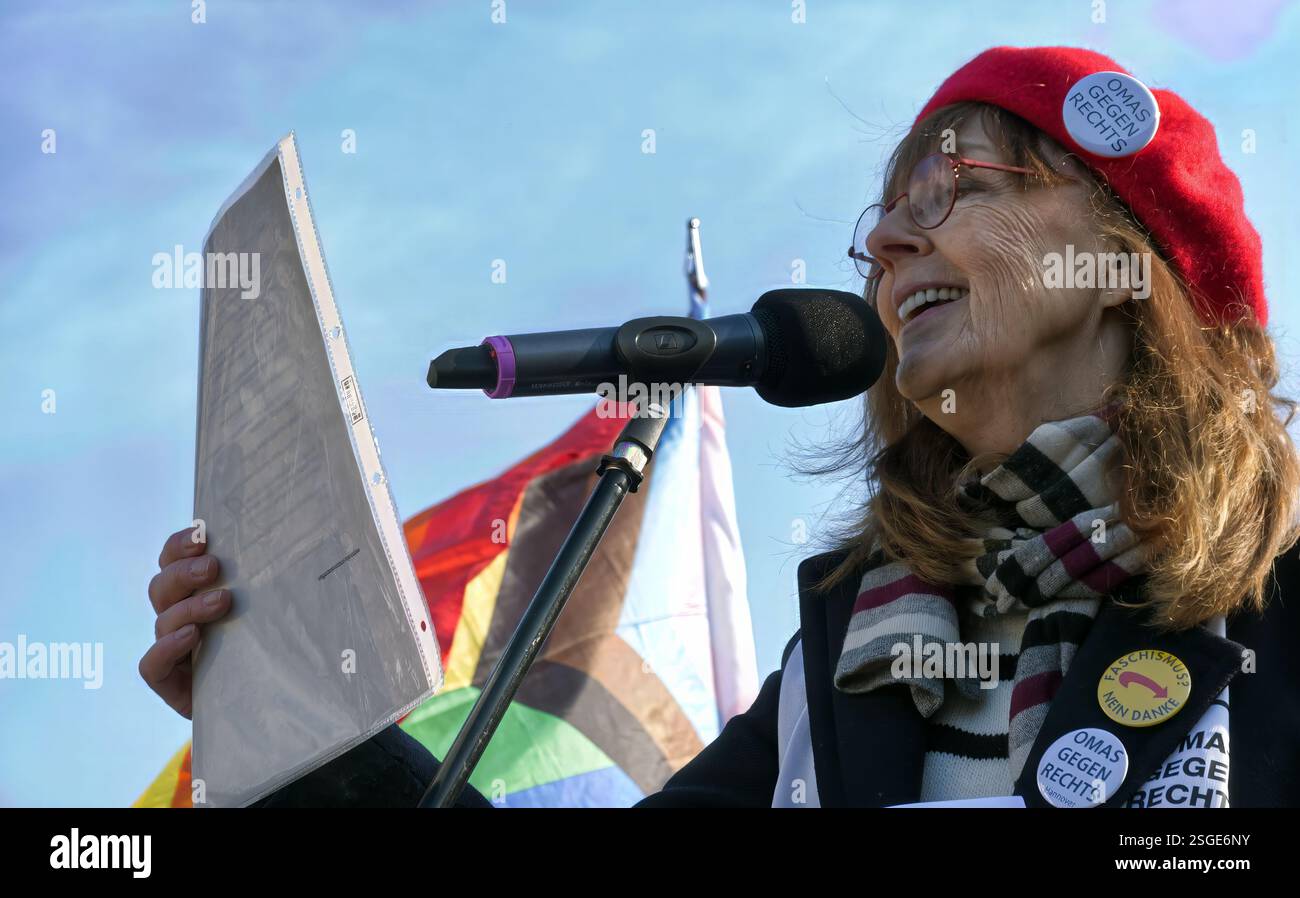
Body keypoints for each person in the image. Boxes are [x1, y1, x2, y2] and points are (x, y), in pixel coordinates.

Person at [140, 46, 1300, 808]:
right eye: (882, 220)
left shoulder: (1277, 602)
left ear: (1118, 258)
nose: (891, 244)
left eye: (953, 191)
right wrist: (288, 694)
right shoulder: (839, 662)